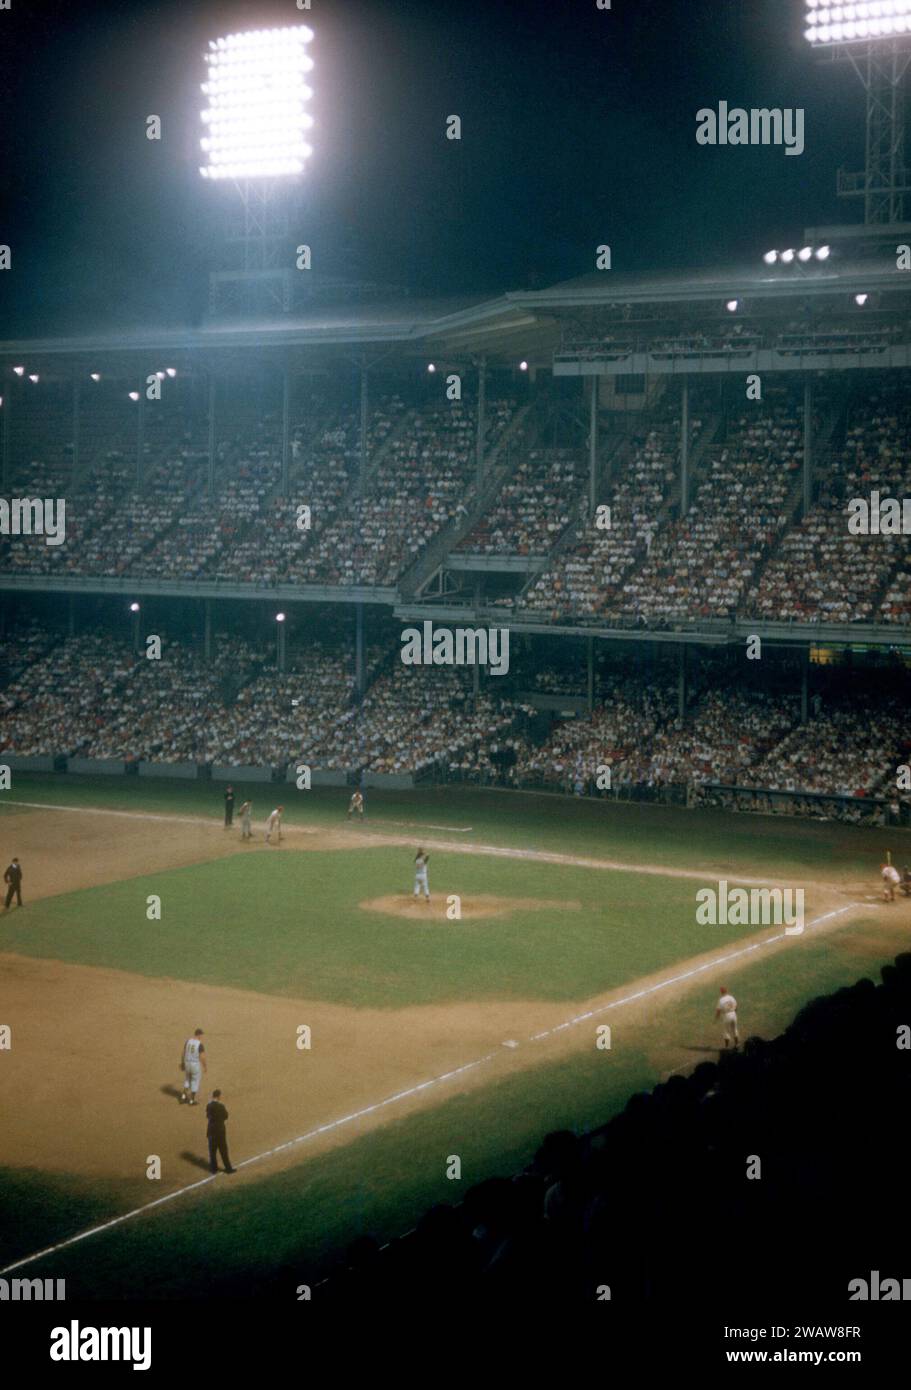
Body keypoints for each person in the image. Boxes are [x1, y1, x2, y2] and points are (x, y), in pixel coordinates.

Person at [206, 1089, 235, 1174]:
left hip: (211, 1130)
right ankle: (228, 1169)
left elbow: (208, 1116)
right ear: (218, 1096)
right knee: (223, 1150)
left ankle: (213, 1169)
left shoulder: (209, 1106)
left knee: (212, 1151)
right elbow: (226, 1116)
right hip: (220, 1130)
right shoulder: (221, 1106)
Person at [180, 1028, 207, 1105]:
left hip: (187, 1063)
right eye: (201, 1035)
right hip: (195, 1064)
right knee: (195, 1081)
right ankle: (191, 1100)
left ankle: (183, 1097)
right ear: (199, 1034)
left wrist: (182, 1063)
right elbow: (202, 1057)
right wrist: (205, 1066)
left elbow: (183, 1053)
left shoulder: (188, 1041)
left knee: (187, 1079)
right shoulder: (199, 1044)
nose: (202, 1037)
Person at [715, 985, 739, 1050]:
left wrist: (716, 1017)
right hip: (733, 1014)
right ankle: (737, 1044)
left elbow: (718, 1010)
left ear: (721, 992)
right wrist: (735, 1013)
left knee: (726, 1031)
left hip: (726, 1015)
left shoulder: (721, 1000)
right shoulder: (731, 997)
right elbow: (736, 1006)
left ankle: (727, 1047)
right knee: (735, 1029)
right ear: (726, 991)